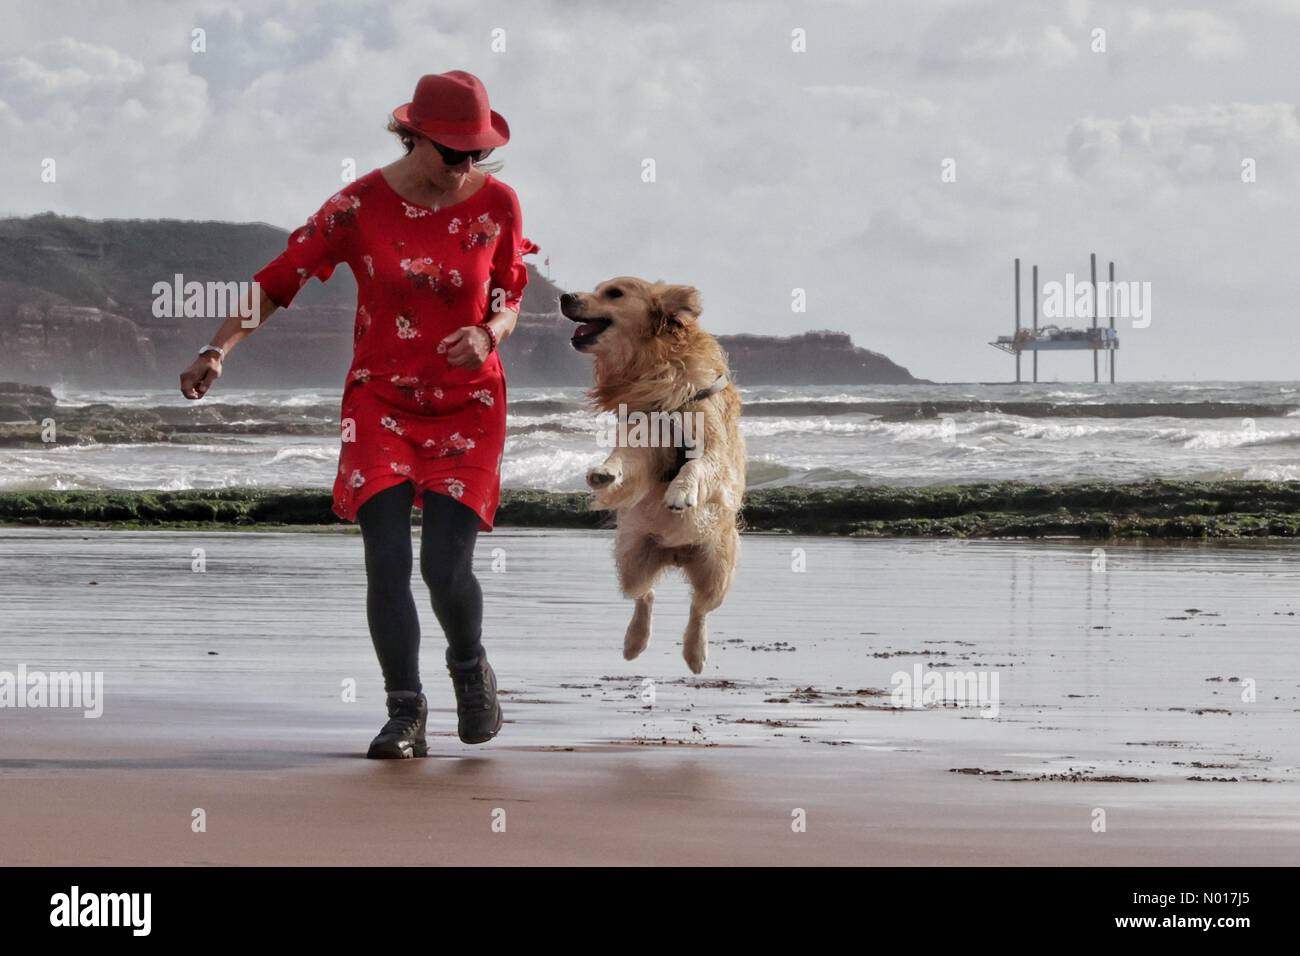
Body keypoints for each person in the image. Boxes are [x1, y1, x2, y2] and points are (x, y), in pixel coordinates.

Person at [179, 70, 536, 757]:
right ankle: (405, 712)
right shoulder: (359, 206)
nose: (466, 167)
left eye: (475, 155)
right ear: (413, 136)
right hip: (381, 402)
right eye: (451, 152)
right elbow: (281, 278)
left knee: (444, 567)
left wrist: (489, 335)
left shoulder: (498, 204)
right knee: (387, 560)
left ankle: (469, 666)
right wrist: (217, 349)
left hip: (470, 405)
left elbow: (510, 295)